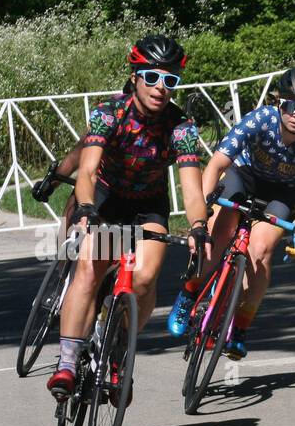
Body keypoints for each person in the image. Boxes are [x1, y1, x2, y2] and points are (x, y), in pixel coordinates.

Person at [47, 34, 208, 403]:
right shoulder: (110, 113)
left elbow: (192, 190)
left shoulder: (181, 127)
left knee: (145, 278)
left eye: (170, 81)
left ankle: (116, 346)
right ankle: (68, 363)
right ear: (135, 76)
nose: (160, 87)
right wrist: (86, 208)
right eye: (152, 77)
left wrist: (199, 226)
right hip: (107, 199)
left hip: (149, 206)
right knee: (89, 267)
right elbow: (87, 171)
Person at [166, 66, 295, 359]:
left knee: (261, 250)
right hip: (242, 176)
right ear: (278, 102)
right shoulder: (260, 119)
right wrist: (202, 210)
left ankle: (240, 328)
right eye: (292, 106)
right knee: (219, 236)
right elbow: (217, 164)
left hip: (281, 193)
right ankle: (191, 290)